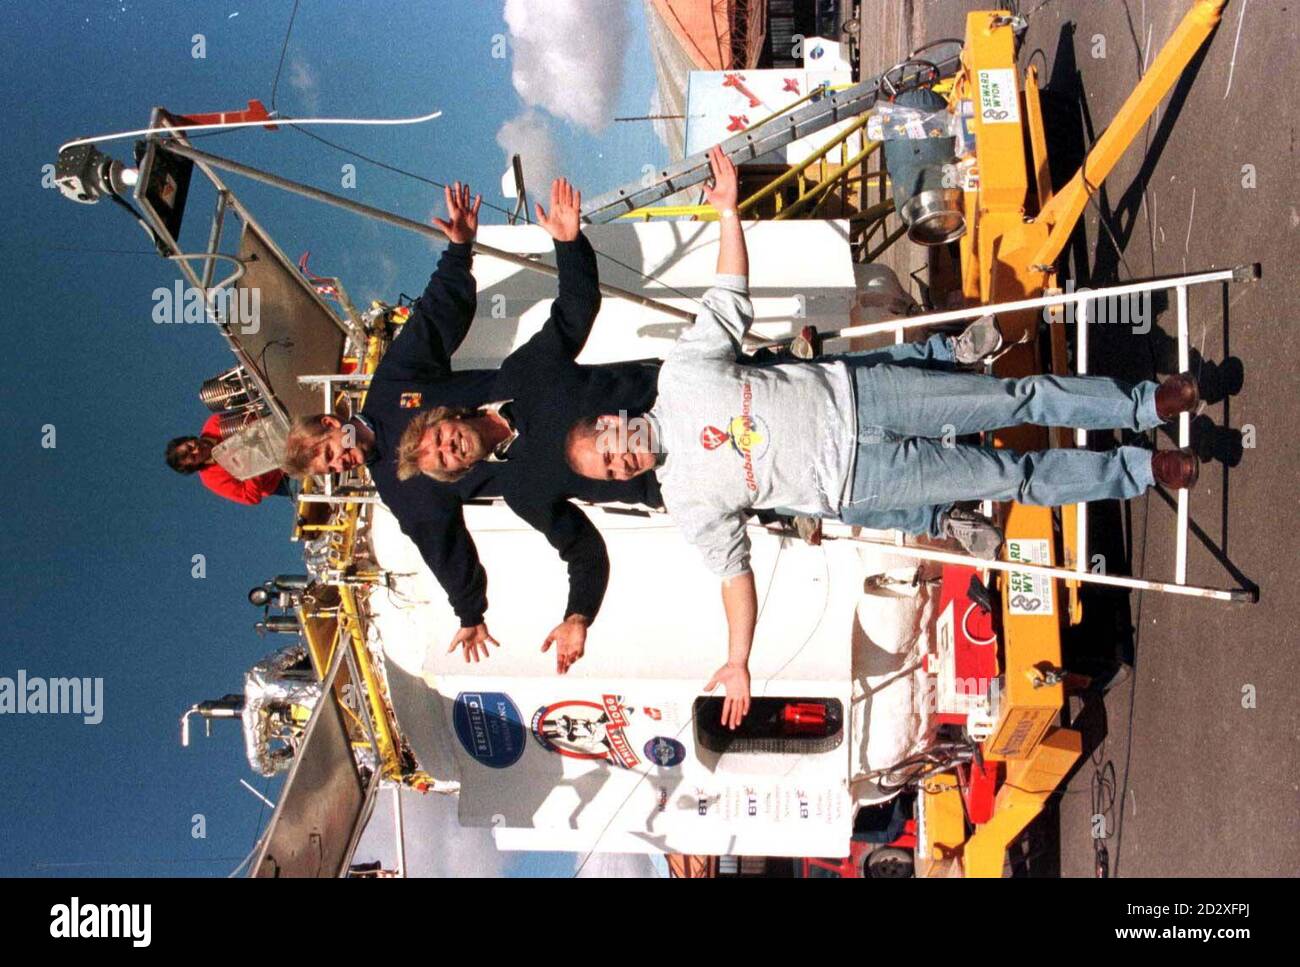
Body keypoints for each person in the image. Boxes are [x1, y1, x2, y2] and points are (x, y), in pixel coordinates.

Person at [563, 145, 1202, 728]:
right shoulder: (687, 503)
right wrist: (738, 660)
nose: (624, 463)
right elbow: (734, 577)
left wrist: (729, 213)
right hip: (865, 480)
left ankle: (1147, 403)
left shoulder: (681, 373)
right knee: (1011, 476)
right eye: (615, 473)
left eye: (612, 450)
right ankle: (1144, 469)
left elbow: (730, 294)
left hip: (865, 395)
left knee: (1013, 398)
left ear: (612, 423)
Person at [283, 178, 664, 673]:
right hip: (616, 472)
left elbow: (435, 319)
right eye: (334, 468)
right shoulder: (406, 489)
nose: (342, 461)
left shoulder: (403, 384)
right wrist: (470, 612)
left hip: (624, 395)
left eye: (331, 451)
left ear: (333, 424)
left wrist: (459, 251)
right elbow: (442, 546)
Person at [166, 414, 289, 505]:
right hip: (281, 478)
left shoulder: (215, 424)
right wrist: (251, 465)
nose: (196, 450)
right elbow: (250, 497)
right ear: (195, 465)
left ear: (188, 439)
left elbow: (250, 413)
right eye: (193, 457)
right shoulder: (211, 479)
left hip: (281, 434)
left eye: (189, 446)